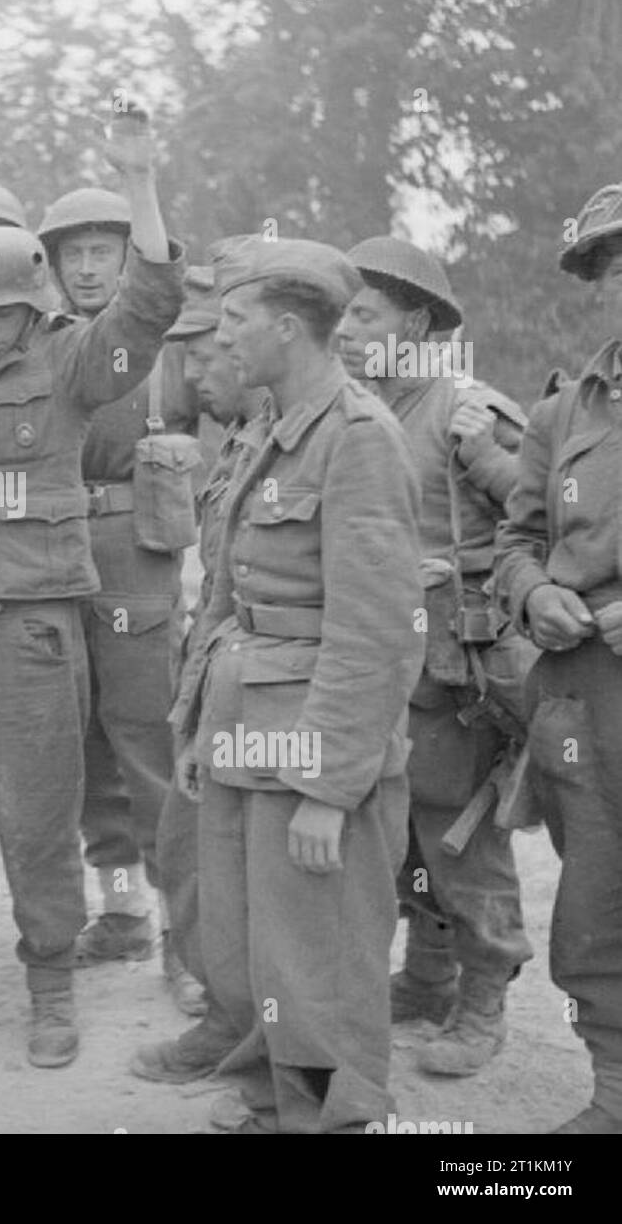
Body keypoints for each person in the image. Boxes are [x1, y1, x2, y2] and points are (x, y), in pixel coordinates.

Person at [0, 107, 184, 1067]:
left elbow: (148, 309)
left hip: (32, 625)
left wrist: (139, 184)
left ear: (36, 303)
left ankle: (51, 985)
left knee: (39, 810)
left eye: (2, 310)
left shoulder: (71, 361)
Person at [176, 235, 422, 1133]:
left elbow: (376, 629)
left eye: (236, 321)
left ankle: (336, 1117)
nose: (223, 338)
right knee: (253, 949)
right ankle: (275, 1098)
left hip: (312, 743)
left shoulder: (358, 439)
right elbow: (228, 597)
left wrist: (327, 789)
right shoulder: (273, 432)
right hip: (247, 728)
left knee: (322, 955)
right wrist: (199, 731)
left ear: (287, 327)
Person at [337, 234, 533, 1078]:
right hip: (379, 659)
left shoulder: (471, 410)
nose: (343, 328)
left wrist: (487, 469)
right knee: (402, 832)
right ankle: (424, 978)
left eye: (363, 313)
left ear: (413, 321)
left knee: (461, 836)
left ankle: (484, 998)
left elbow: (544, 518)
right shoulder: (354, 406)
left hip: (455, 662)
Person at [36, 185, 197, 966]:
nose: (89, 268)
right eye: (75, 254)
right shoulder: (44, 343)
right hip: (60, 556)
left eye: (104, 252)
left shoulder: (170, 349)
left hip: (138, 553)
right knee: (84, 736)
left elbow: (242, 437)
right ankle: (123, 908)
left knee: (145, 739)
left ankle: (184, 933)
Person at [494, 182, 622, 1134]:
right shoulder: (558, 415)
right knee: (595, 906)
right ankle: (615, 1095)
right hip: (585, 701)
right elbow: (515, 541)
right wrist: (535, 594)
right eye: (613, 270)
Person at [131, 272, 267, 1083]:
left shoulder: (324, 437)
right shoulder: (239, 445)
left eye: (206, 355)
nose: (191, 375)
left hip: (279, 691)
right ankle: (224, 1013)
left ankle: (285, 1058)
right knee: (192, 843)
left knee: (270, 873)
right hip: (216, 677)